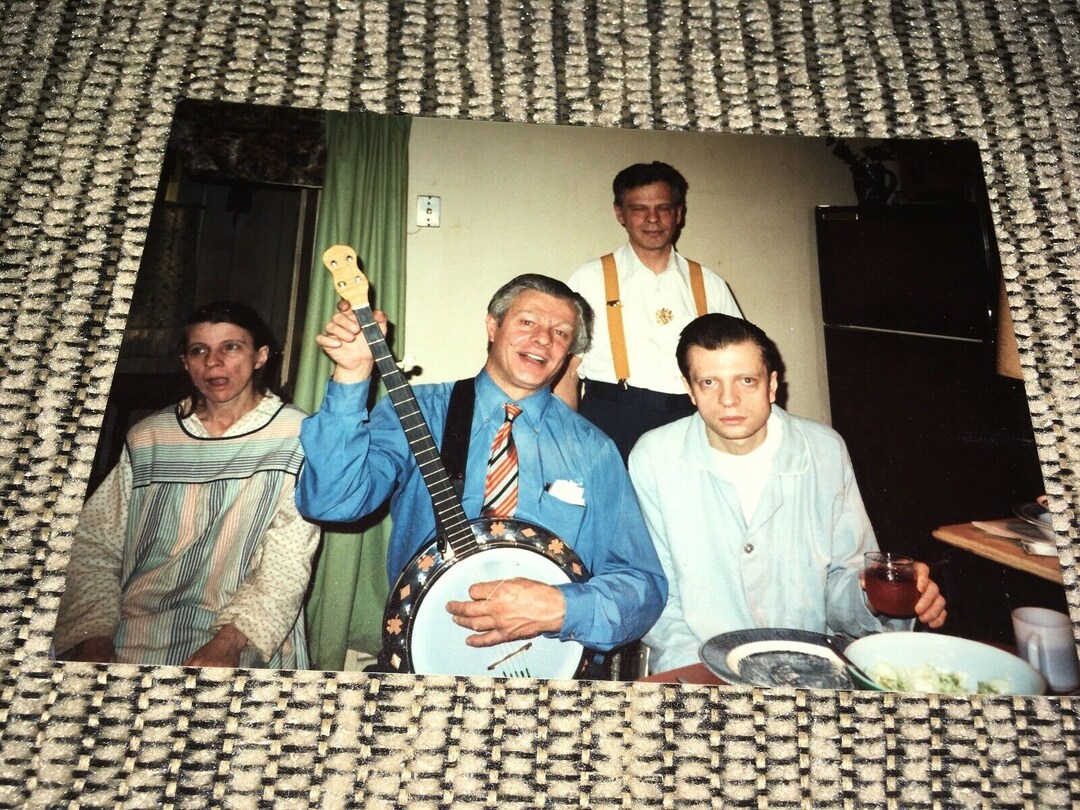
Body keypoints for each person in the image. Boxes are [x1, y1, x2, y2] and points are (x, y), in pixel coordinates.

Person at [295, 274, 666, 675]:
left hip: (550, 676)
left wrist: (563, 607)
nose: (543, 339)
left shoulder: (594, 450)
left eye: (560, 333)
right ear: (493, 326)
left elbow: (642, 585)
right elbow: (332, 502)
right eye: (527, 322)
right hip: (424, 669)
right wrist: (351, 377)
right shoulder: (419, 411)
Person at [628, 314, 947, 674]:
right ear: (689, 389)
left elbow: (844, 580)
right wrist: (701, 680)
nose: (728, 400)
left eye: (746, 381)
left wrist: (876, 598)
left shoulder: (825, 450)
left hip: (810, 667)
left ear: (772, 385)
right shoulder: (655, 457)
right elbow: (659, 594)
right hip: (702, 667)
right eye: (709, 382)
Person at [54, 301, 319, 669]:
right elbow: (95, 545)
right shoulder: (149, 438)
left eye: (230, 347)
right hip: (134, 627)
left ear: (260, 357)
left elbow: (287, 563)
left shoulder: (297, 436)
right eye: (199, 350)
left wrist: (228, 643)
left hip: (243, 631)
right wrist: (92, 636)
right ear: (185, 361)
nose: (213, 362)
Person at [555, 161, 743, 461]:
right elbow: (567, 372)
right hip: (613, 419)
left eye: (663, 208)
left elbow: (739, 366)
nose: (652, 219)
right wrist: (569, 441)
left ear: (678, 213)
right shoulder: (588, 279)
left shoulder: (710, 283)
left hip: (692, 418)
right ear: (620, 214)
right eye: (639, 208)